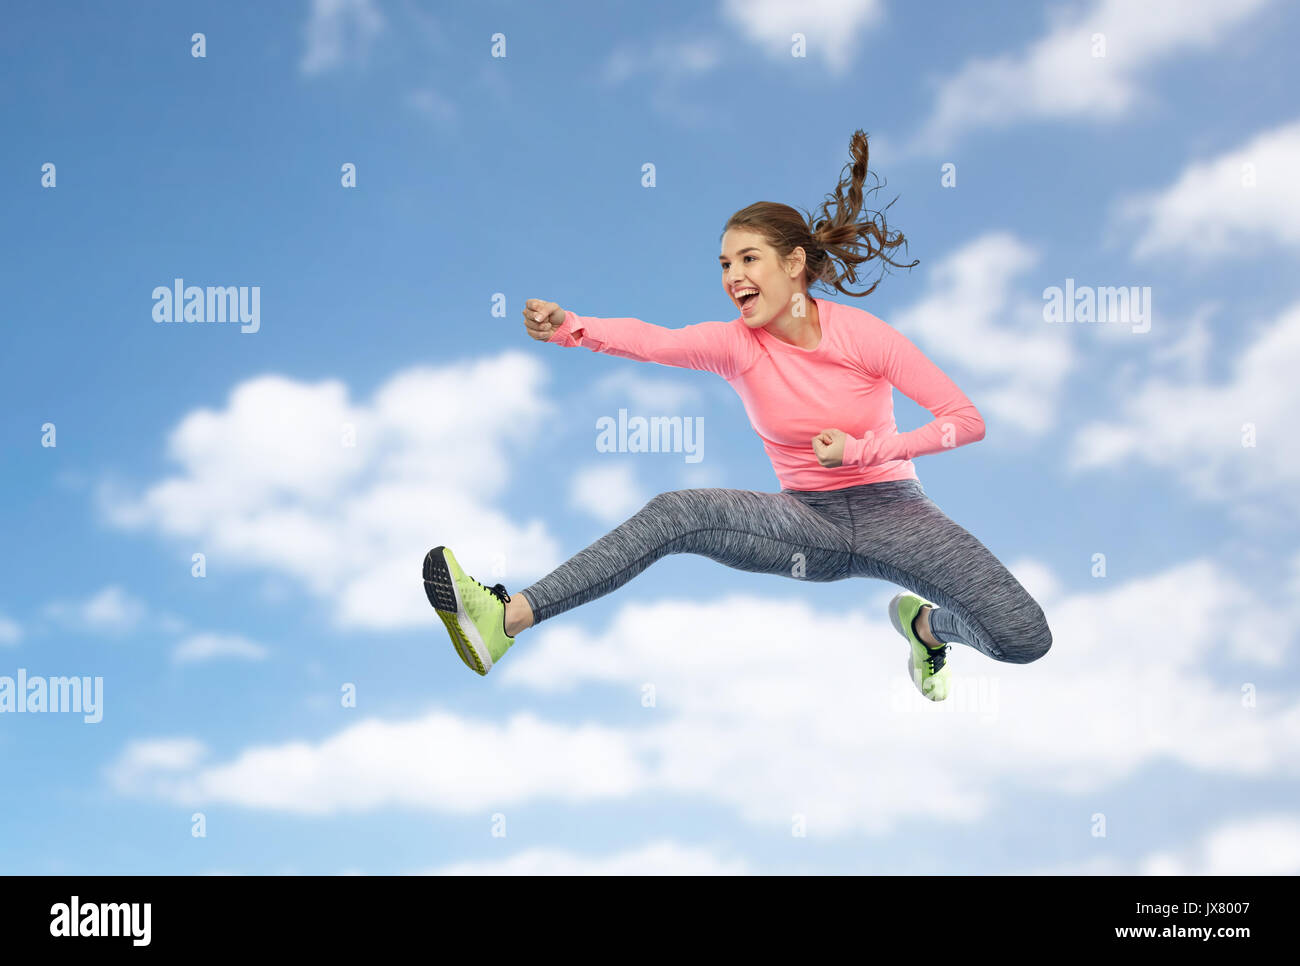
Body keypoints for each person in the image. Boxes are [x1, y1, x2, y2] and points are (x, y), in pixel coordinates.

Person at [423, 129, 1051, 700]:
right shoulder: (734, 345)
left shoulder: (862, 337)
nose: (733, 277)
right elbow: (651, 339)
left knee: (1024, 637)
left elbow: (965, 420)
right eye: (725, 264)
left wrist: (863, 453)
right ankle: (505, 619)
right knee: (677, 513)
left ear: (794, 265)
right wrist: (572, 328)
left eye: (748, 259)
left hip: (897, 511)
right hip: (809, 522)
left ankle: (926, 629)